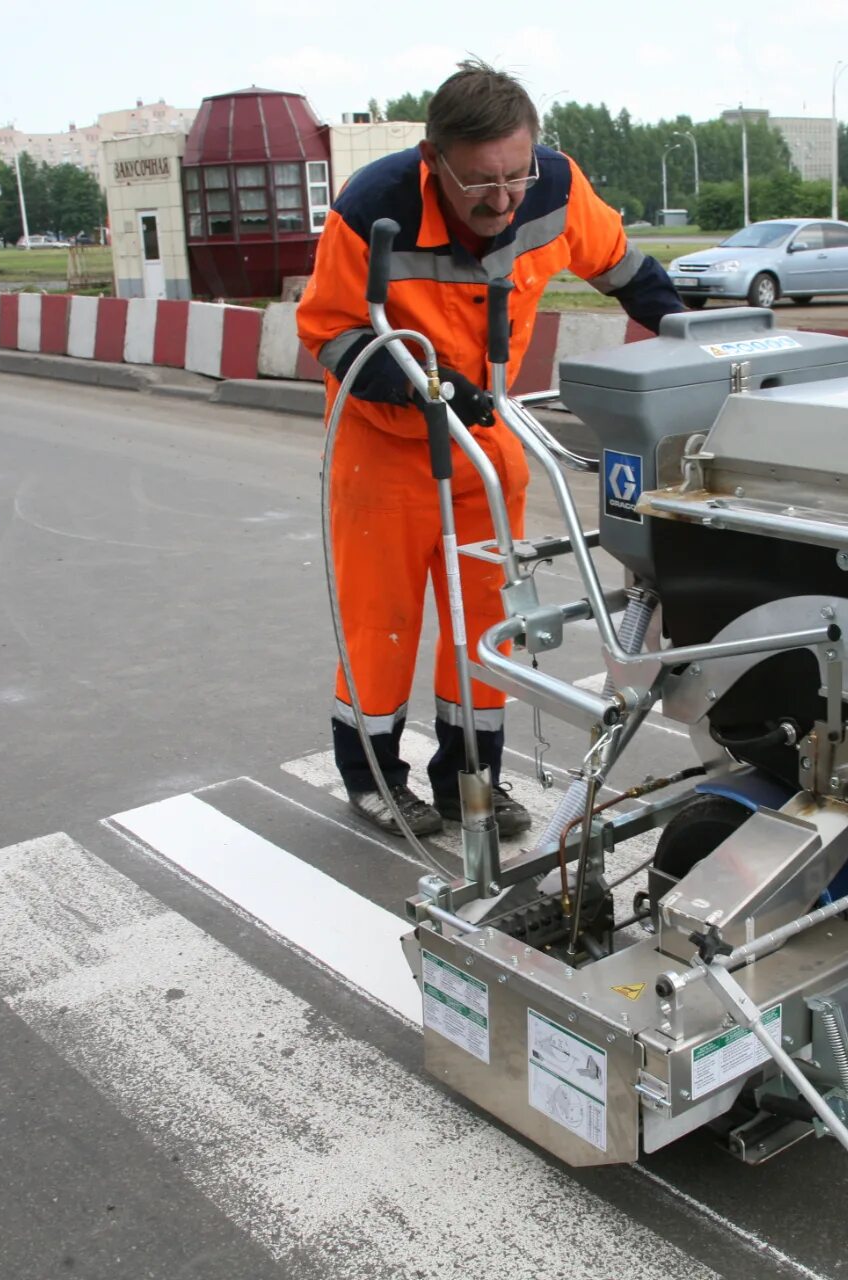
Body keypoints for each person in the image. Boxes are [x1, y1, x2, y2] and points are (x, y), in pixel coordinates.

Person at [298, 59, 683, 837]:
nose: (502, 200)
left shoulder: (556, 187)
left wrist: (688, 333)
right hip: (386, 446)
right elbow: (330, 333)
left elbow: (624, 269)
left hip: (484, 440)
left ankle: (470, 778)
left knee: (485, 621)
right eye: (479, 184)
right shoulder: (373, 208)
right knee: (385, 622)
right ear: (433, 160)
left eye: (516, 176)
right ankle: (372, 776)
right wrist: (413, 384)